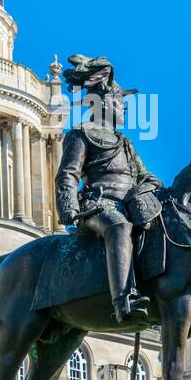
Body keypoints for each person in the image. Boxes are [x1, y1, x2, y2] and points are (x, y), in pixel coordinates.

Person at [54, 55, 162, 325]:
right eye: (120, 102)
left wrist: (148, 191)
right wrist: (68, 207)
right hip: (98, 205)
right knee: (119, 228)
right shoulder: (82, 134)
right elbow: (67, 173)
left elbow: (146, 176)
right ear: (102, 103)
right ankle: (124, 299)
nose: (124, 108)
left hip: (127, 204)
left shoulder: (124, 143)